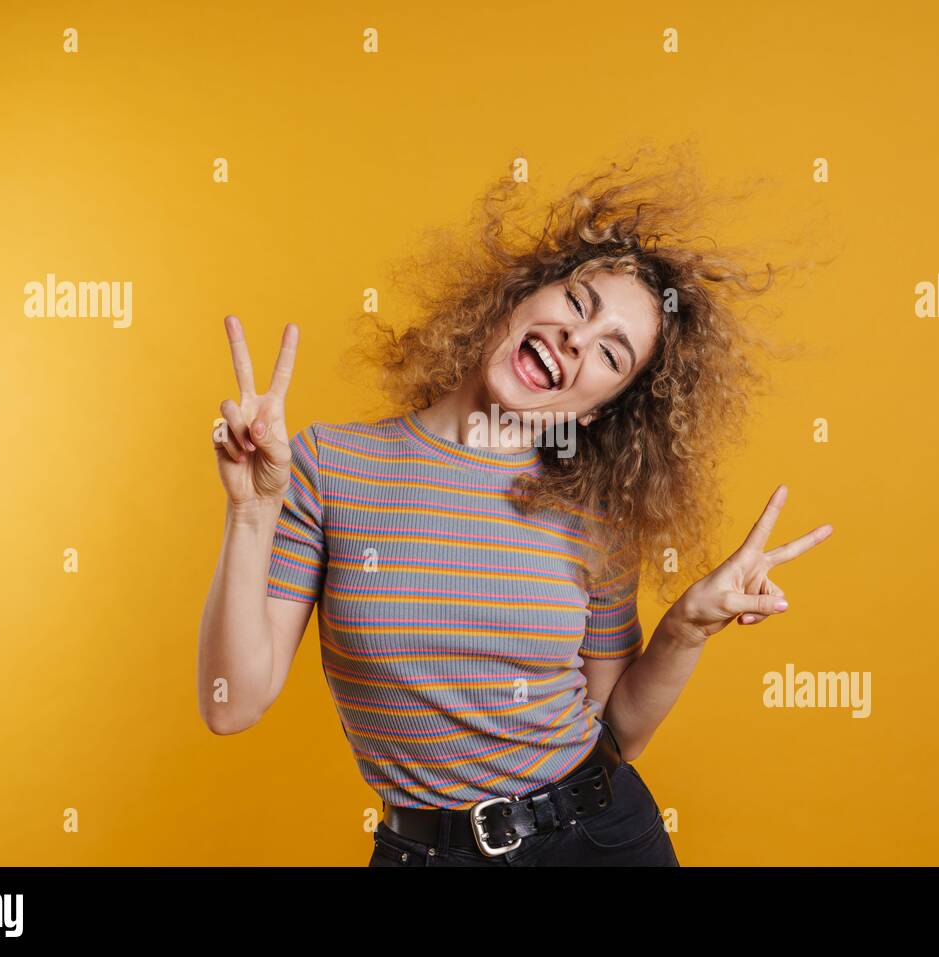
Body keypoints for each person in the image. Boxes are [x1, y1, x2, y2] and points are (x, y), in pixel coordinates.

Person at [196, 145, 833, 866]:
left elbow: (619, 732)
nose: (575, 337)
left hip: (600, 838)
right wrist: (251, 514)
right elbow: (230, 704)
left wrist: (685, 626)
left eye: (611, 354)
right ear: (521, 293)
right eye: (576, 303)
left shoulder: (593, 512)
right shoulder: (327, 468)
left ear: (599, 409)